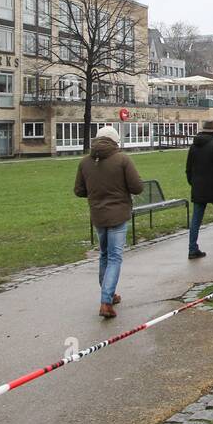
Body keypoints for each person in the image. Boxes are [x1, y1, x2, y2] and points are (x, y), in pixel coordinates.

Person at [73, 124, 143, 319]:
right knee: (114, 257)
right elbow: (137, 187)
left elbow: (79, 190)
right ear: (115, 141)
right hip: (118, 215)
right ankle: (106, 301)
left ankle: (109, 294)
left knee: (104, 255)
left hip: (98, 215)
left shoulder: (85, 162)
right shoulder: (122, 160)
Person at [186, 119, 213, 259]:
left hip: (198, 188)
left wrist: (193, 183)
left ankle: (192, 248)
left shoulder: (193, 147)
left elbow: (188, 170)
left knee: (196, 220)